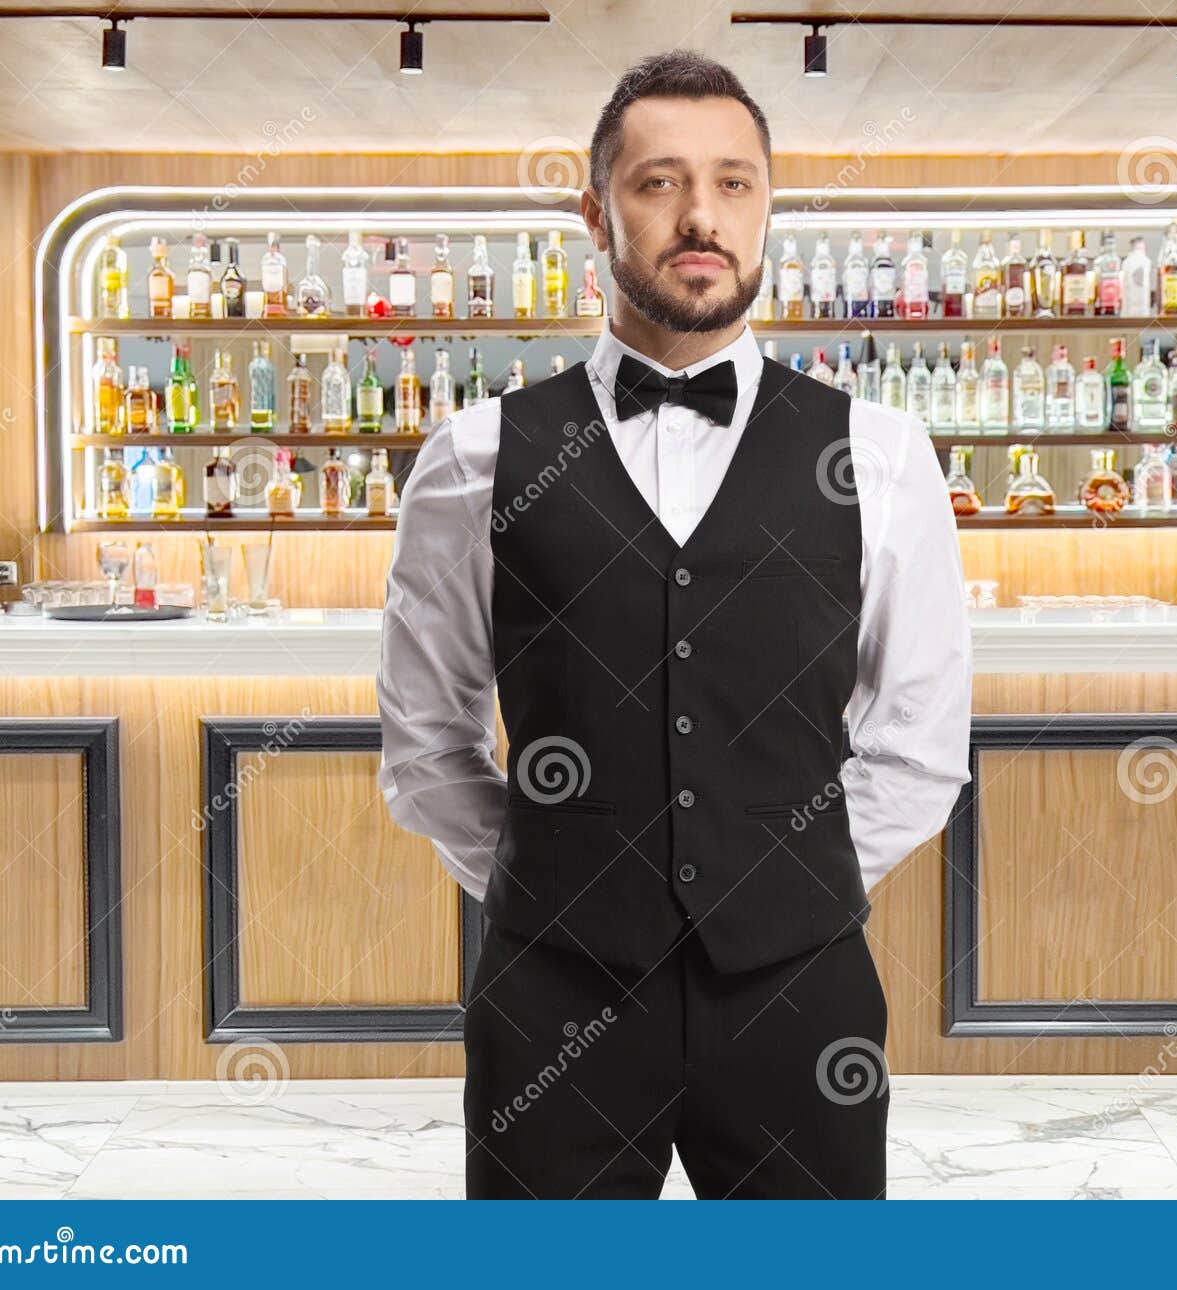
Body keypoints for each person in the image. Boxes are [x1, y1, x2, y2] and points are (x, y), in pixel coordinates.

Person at [377, 48, 971, 1199]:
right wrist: (555, 878)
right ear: (593, 214)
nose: (701, 215)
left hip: (798, 992)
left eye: (735, 183)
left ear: (767, 210)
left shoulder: (883, 455)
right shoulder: (473, 458)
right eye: (658, 183)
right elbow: (427, 749)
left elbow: (917, 737)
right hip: (552, 993)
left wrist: (778, 884)